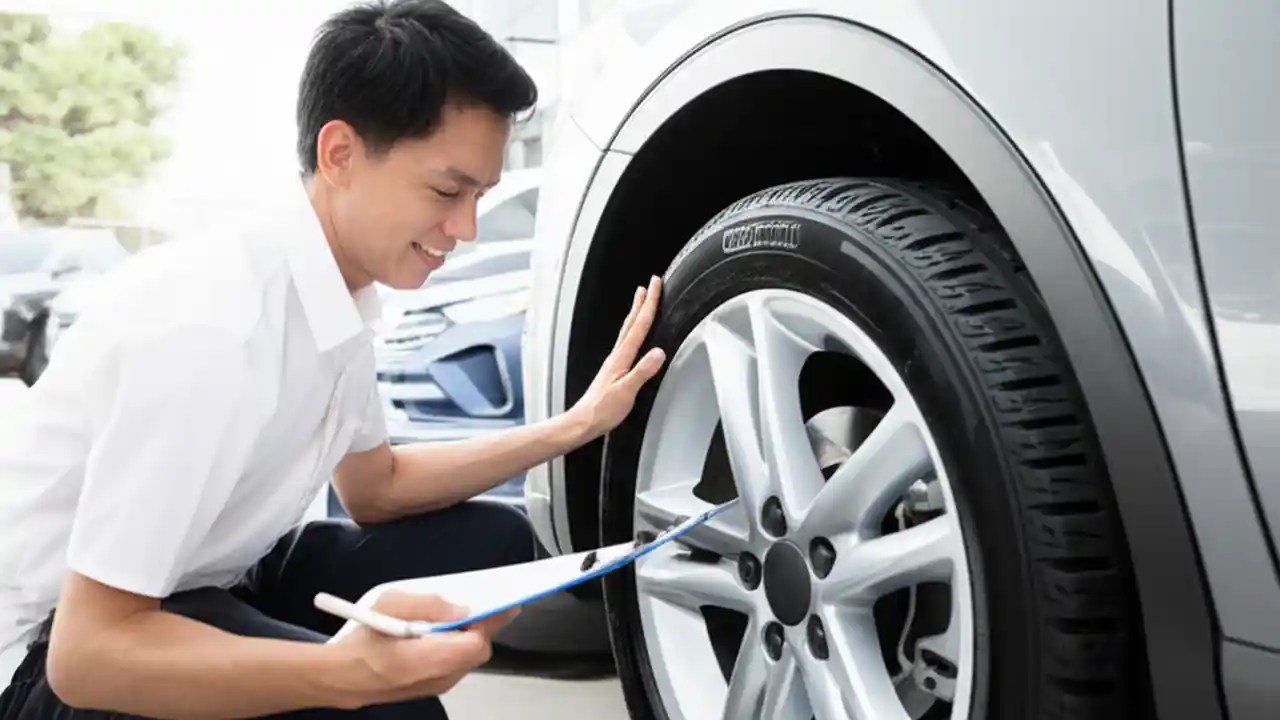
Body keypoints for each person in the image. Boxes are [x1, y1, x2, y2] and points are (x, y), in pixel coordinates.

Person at [0, 1, 667, 717]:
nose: (466, 228)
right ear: (339, 153)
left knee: (495, 540)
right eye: (447, 190)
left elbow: (374, 487)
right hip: (56, 657)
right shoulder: (212, 327)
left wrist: (573, 427)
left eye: (480, 195)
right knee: (392, 709)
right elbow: (87, 656)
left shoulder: (335, 297)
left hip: (212, 580)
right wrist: (345, 675)